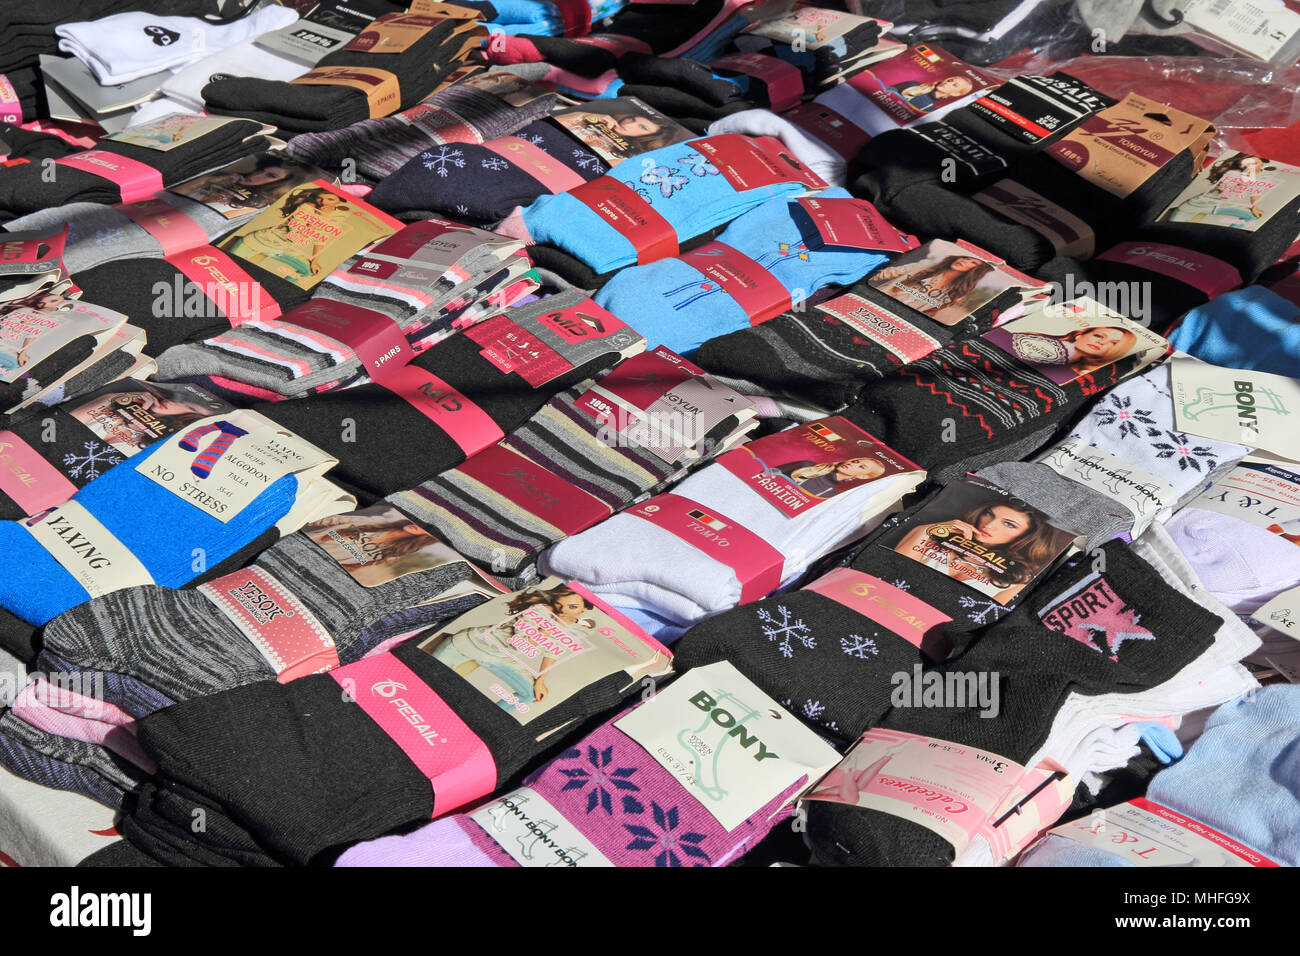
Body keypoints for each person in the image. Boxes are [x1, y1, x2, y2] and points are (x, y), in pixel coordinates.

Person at [427, 584, 595, 713]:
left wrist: (540, 681)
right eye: (560, 605)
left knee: (530, 693)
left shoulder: (568, 624)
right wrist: (553, 625)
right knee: (425, 684)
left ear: (585, 607)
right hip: (469, 643)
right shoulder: (543, 610)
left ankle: (482, 724)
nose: (563, 610)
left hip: (497, 656)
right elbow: (520, 643)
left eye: (572, 607)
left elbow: (552, 651)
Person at [892, 495, 1061, 603]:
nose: (989, 525)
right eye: (989, 514)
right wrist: (930, 529)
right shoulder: (934, 536)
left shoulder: (1017, 581)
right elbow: (893, 570)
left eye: (1009, 524)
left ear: (1028, 537)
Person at [223, 186, 351, 279]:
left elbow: (321, 239)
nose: (323, 203)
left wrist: (315, 261)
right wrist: (321, 217)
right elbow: (296, 237)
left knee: (307, 272)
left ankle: (275, 294)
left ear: (339, 200)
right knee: (227, 271)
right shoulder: (307, 207)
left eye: (329, 199)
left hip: (280, 248)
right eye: (320, 199)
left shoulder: (337, 217)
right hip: (259, 241)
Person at [68, 384, 229, 453]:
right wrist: (115, 397)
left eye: (191, 408)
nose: (173, 401)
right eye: (182, 400)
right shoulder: (120, 407)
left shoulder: (157, 447)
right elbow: (62, 425)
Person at [1160, 154, 1278, 227]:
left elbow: (1254, 192)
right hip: (1197, 204)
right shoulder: (1232, 174)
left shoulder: (1253, 177)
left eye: (1259, 163)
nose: (1260, 164)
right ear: (1242, 164)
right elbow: (1231, 192)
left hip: (1217, 207)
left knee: (1251, 217)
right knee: (1171, 227)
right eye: (1255, 163)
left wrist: (1254, 207)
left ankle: (1230, 237)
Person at [870, 253, 995, 316]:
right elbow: (882, 275)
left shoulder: (955, 294)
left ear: (975, 272)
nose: (964, 260)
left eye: (972, 262)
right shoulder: (925, 266)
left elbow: (929, 314)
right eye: (965, 257)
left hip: (900, 320)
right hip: (874, 303)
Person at [1007, 325, 1138, 377]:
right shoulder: (1033, 338)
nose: (1101, 342)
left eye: (1113, 343)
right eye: (1098, 336)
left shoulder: (1080, 375)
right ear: (1080, 335)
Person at [776, 456, 886, 499]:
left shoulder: (829, 496)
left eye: (861, 466)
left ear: (863, 476)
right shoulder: (807, 465)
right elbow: (764, 474)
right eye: (854, 461)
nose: (853, 464)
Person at [883, 75, 974, 113]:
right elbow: (883, 91)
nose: (948, 83)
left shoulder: (930, 109)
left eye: (954, 85)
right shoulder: (913, 84)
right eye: (950, 80)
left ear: (956, 94)